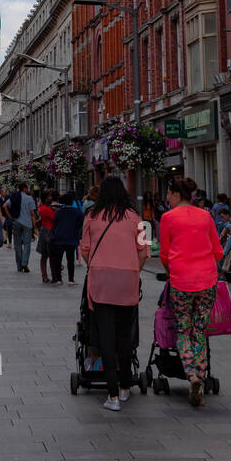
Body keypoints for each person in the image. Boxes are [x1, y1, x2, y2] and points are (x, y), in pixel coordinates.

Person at [79, 176, 149, 411]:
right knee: (125, 336)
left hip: (101, 281)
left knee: (106, 338)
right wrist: (133, 271)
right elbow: (144, 250)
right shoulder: (136, 218)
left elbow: (85, 249)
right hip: (127, 280)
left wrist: (97, 265)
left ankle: (112, 396)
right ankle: (125, 387)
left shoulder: (91, 217)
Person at [159, 175, 223, 407]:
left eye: (168, 194)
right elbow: (217, 251)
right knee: (200, 330)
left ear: (176, 194)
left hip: (181, 281)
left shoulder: (168, 218)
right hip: (207, 280)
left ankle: (192, 375)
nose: (167, 198)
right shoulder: (205, 216)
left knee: (183, 330)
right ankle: (201, 375)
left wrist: (171, 270)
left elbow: (164, 253)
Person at [51, 192, 84, 284]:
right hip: (71, 237)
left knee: (58, 259)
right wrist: (76, 227)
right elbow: (82, 220)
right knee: (70, 259)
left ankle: (58, 279)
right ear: (71, 201)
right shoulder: (76, 212)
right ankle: (71, 279)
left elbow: (55, 223)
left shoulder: (59, 211)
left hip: (59, 237)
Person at [9, 183, 37, 274]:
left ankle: (19, 266)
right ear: (25, 189)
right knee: (27, 244)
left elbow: (5, 206)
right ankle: (25, 262)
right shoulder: (29, 198)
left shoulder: (14, 197)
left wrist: (10, 217)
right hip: (27, 224)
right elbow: (32, 213)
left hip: (16, 222)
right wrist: (35, 226)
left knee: (17, 244)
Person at [36, 189, 57, 283]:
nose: (51, 198)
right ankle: (53, 275)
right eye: (49, 196)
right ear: (45, 198)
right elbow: (54, 219)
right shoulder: (47, 209)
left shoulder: (41, 208)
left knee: (44, 256)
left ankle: (44, 276)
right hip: (49, 232)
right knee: (51, 255)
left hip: (43, 231)